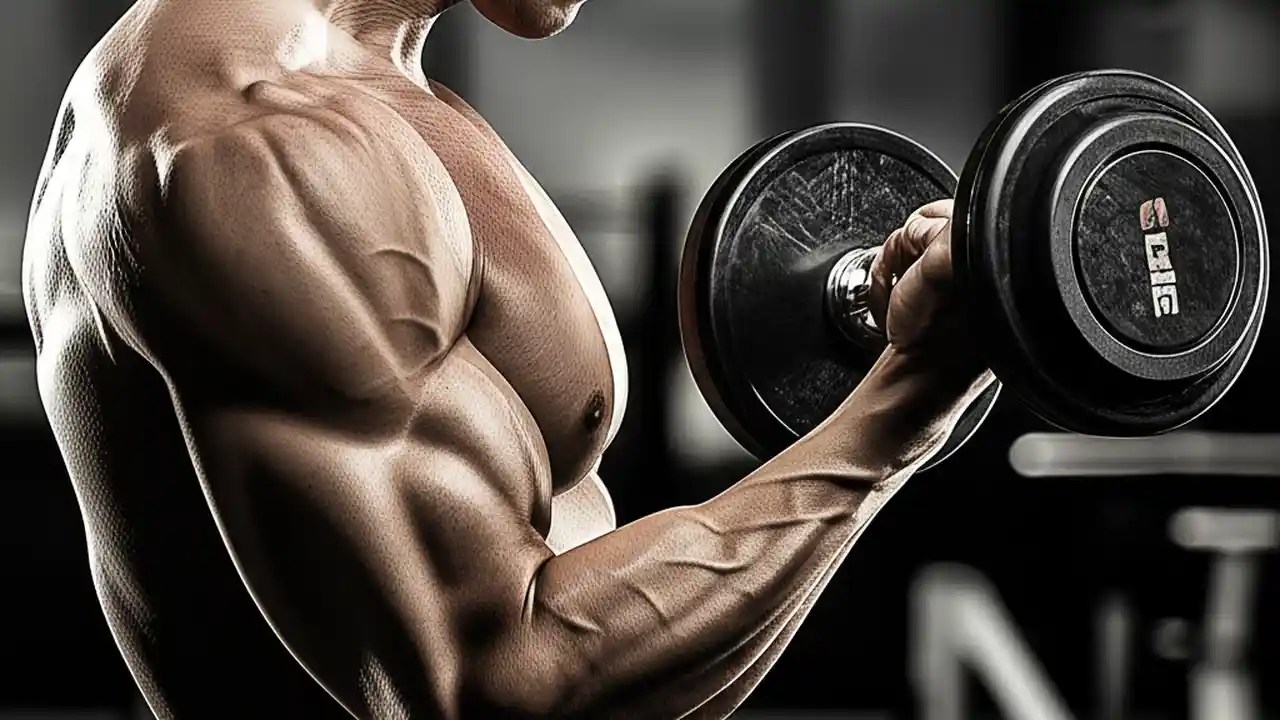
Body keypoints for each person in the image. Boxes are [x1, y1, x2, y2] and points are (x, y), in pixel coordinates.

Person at [22, 0, 993, 717]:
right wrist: (909, 400)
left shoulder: (379, 96)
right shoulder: (255, 146)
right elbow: (497, 686)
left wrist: (879, 346)